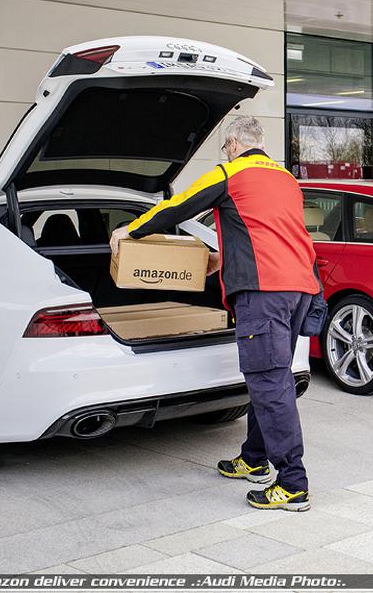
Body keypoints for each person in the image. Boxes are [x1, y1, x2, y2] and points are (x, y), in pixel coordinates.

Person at [111, 116, 319, 512]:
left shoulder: (230, 173)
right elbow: (274, 232)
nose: (225, 152)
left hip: (265, 294)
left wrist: (129, 231)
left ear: (234, 143)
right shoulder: (285, 179)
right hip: (299, 289)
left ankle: (293, 482)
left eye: (226, 147)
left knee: (269, 381)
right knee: (270, 378)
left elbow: (177, 206)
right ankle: (255, 458)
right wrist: (225, 259)